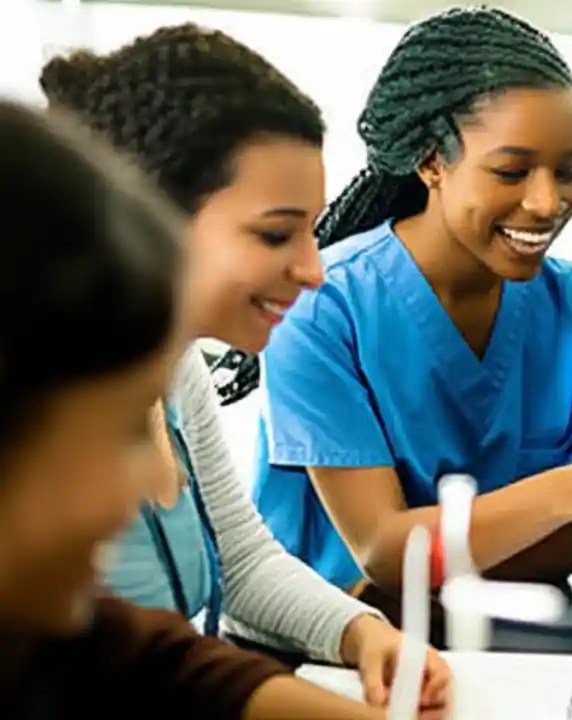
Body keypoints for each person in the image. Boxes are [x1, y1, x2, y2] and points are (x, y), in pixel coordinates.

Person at [252, 6, 572, 636]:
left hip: (516, 642)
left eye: (569, 171)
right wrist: (565, 494)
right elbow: (384, 551)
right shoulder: (321, 305)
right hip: (330, 647)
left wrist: (432, 552)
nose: (547, 202)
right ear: (432, 162)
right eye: (510, 171)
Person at [39, 25, 449, 713]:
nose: (314, 270)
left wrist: (363, 633)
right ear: (151, 211)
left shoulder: (176, 374)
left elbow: (238, 562)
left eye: (313, 231)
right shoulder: (42, 401)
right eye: (275, 234)